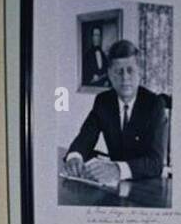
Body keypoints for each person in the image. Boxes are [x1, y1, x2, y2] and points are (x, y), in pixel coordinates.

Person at [65, 38, 167, 186]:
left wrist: (118, 169)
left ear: (139, 72)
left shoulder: (154, 104)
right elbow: (85, 136)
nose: (125, 78)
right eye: (118, 71)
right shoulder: (103, 101)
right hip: (113, 186)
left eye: (130, 70)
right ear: (110, 75)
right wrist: (75, 156)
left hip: (146, 185)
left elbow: (156, 163)